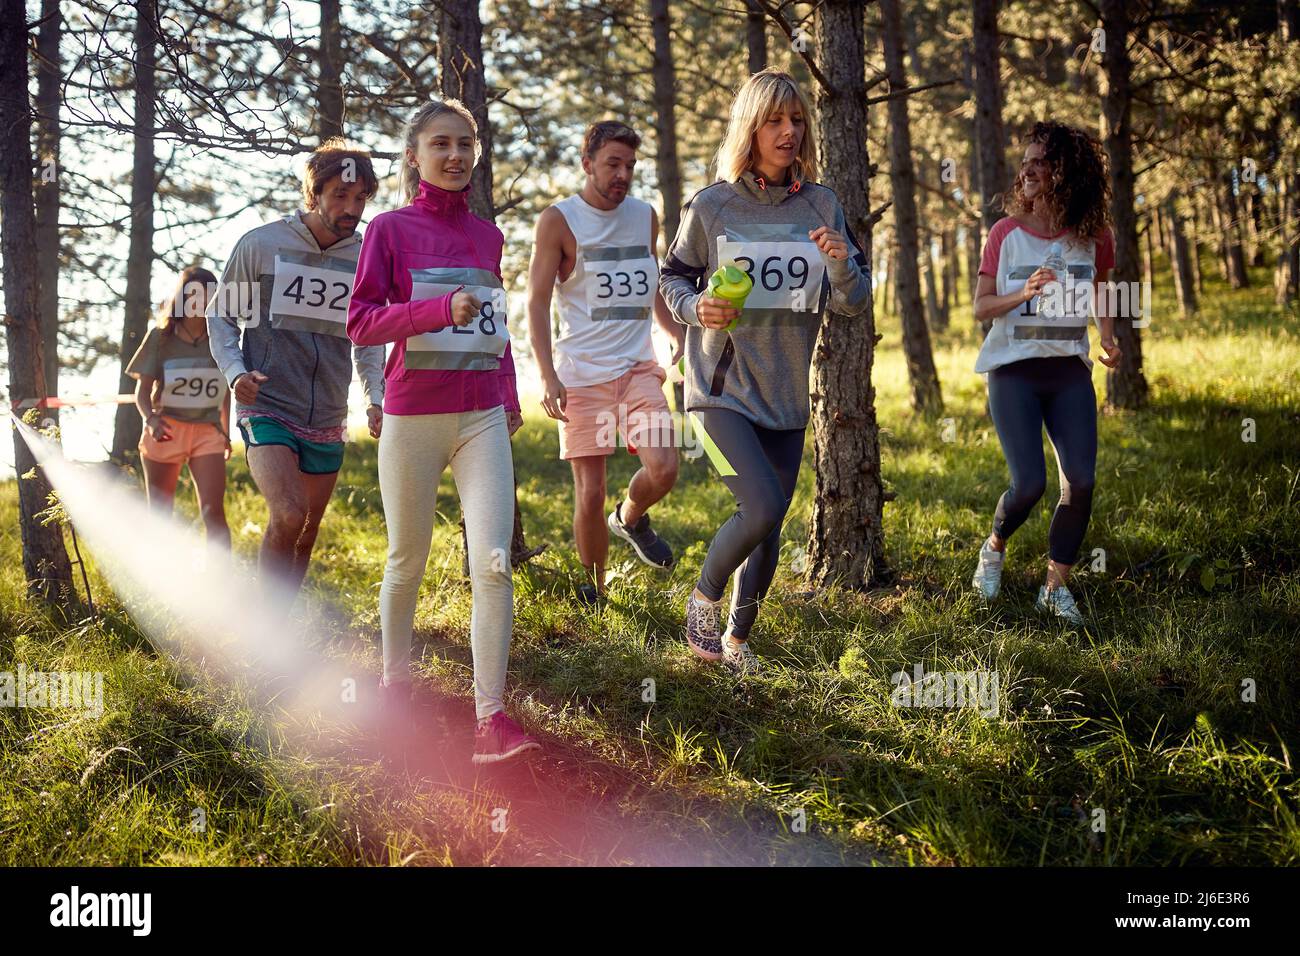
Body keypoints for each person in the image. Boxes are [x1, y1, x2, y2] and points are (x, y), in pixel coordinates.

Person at [347, 98, 540, 765]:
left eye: (466, 144)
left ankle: (492, 718)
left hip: (482, 412)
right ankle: (394, 683)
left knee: (492, 563)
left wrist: (510, 393)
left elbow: (496, 325)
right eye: (440, 145)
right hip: (413, 414)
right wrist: (434, 311)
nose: (455, 156)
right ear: (414, 156)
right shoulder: (388, 230)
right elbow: (363, 323)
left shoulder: (488, 237)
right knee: (407, 561)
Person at [660, 69, 871, 675]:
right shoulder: (713, 204)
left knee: (770, 524)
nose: (788, 131)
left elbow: (854, 302)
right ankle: (703, 597)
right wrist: (694, 307)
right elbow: (671, 276)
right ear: (750, 128)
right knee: (759, 507)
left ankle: (736, 643)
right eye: (775, 120)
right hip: (718, 393)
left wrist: (838, 265)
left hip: (786, 397)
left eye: (796, 120)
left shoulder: (822, 203)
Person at [207, 140, 386, 596]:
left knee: (305, 533)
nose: (351, 207)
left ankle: (281, 630)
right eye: (339, 196)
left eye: (360, 198)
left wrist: (375, 397)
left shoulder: (367, 257)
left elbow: (369, 338)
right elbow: (222, 315)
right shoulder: (262, 244)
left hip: (327, 413)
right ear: (314, 194)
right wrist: (234, 373)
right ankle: (264, 629)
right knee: (288, 513)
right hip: (267, 404)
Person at [969, 120, 1121, 625]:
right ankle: (994, 546)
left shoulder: (1094, 236)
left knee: (1080, 481)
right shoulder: (1005, 234)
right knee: (1029, 483)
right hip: (1013, 372)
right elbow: (981, 308)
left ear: (1067, 172)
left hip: (1068, 373)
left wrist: (1109, 335)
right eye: (1026, 160)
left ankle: (1055, 588)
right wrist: (1023, 293)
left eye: (1042, 161)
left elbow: (1100, 288)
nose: (1028, 170)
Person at [527, 120, 685, 604]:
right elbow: (535, 302)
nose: (622, 174)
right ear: (587, 163)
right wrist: (548, 375)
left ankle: (631, 519)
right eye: (613, 164)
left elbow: (651, 282)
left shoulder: (645, 216)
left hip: (639, 368)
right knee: (589, 494)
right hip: (582, 377)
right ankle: (594, 590)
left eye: (630, 166)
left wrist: (673, 331)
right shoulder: (559, 221)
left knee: (664, 468)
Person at [126, 266, 231, 546]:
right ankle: (159, 582)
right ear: (182, 297)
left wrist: (226, 430)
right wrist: (150, 419)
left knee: (213, 512)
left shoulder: (222, 338)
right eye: (193, 294)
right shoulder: (160, 338)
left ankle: (220, 581)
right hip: (166, 429)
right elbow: (142, 391)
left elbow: (226, 391)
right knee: (160, 516)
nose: (201, 301)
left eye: (208, 295)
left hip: (207, 433)